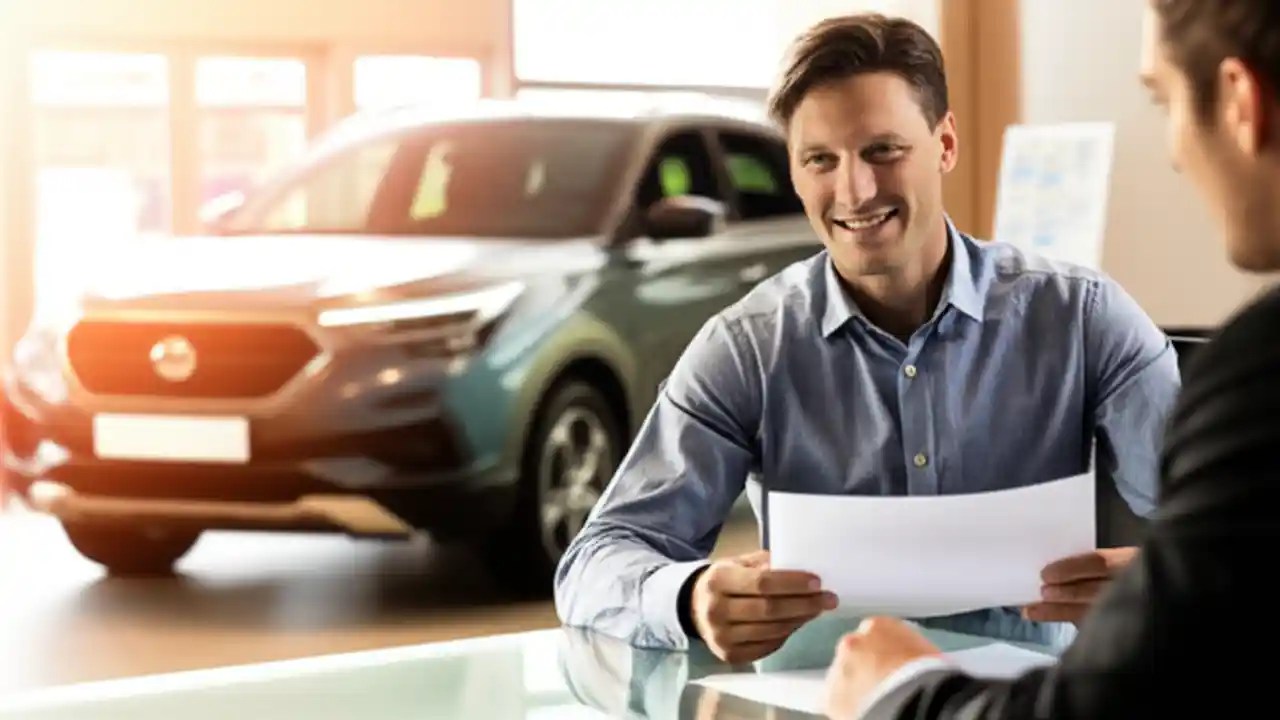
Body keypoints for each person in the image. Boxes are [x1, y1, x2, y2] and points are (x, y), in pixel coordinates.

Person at [554, 12, 1181, 662]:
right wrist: (688, 596)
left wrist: (1160, 582)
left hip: (1032, 702)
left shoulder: (1083, 318)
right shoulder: (746, 348)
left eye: (883, 151)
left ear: (944, 144)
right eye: (820, 160)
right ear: (793, 174)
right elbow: (594, 564)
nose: (853, 190)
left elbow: (1230, 530)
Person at [821, 0, 1280, 717]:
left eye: (1163, 102)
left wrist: (899, 692)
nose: (1172, 149)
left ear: (1241, 101)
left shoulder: (1261, 370)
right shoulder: (746, 342)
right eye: (821, 158)